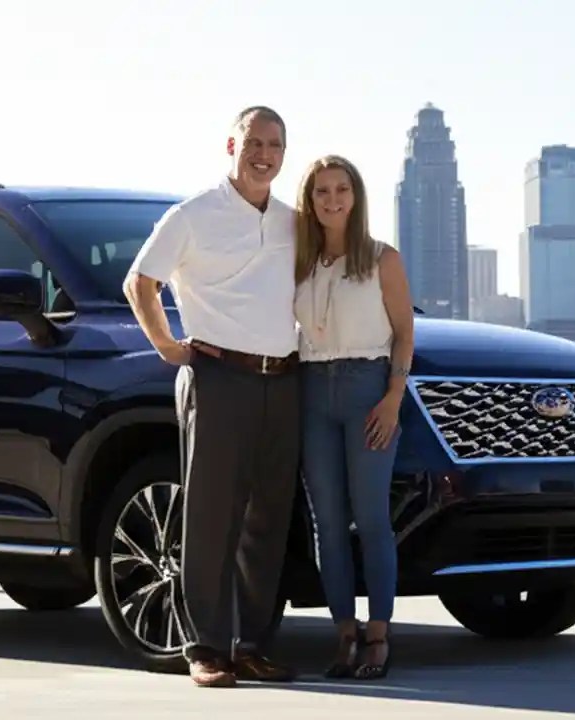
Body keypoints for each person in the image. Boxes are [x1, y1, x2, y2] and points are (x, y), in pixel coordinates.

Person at [122, 106, 301, 688]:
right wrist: (167, 346)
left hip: (284, 379)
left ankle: (250, 645)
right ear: (232, 146)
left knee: (268, 519)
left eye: (275, 145)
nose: (264, 155)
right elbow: (139, 281)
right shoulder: (193, 215)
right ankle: (204, 648)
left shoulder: (292, 221)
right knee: (210, 516)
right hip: (219, 376)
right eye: (254, 142)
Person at [293, 154, 414, 681]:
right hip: (312, 391)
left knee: (371, 518)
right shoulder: (299, 262)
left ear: (356, 196)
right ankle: (344, 632)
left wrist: (392, 398)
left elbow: (405, 333)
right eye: (321, 191)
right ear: (310, 200)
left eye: (341, 189)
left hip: (369, 389)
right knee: (327, 522)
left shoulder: (382, 258)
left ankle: (378, 634)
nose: (332, 199)